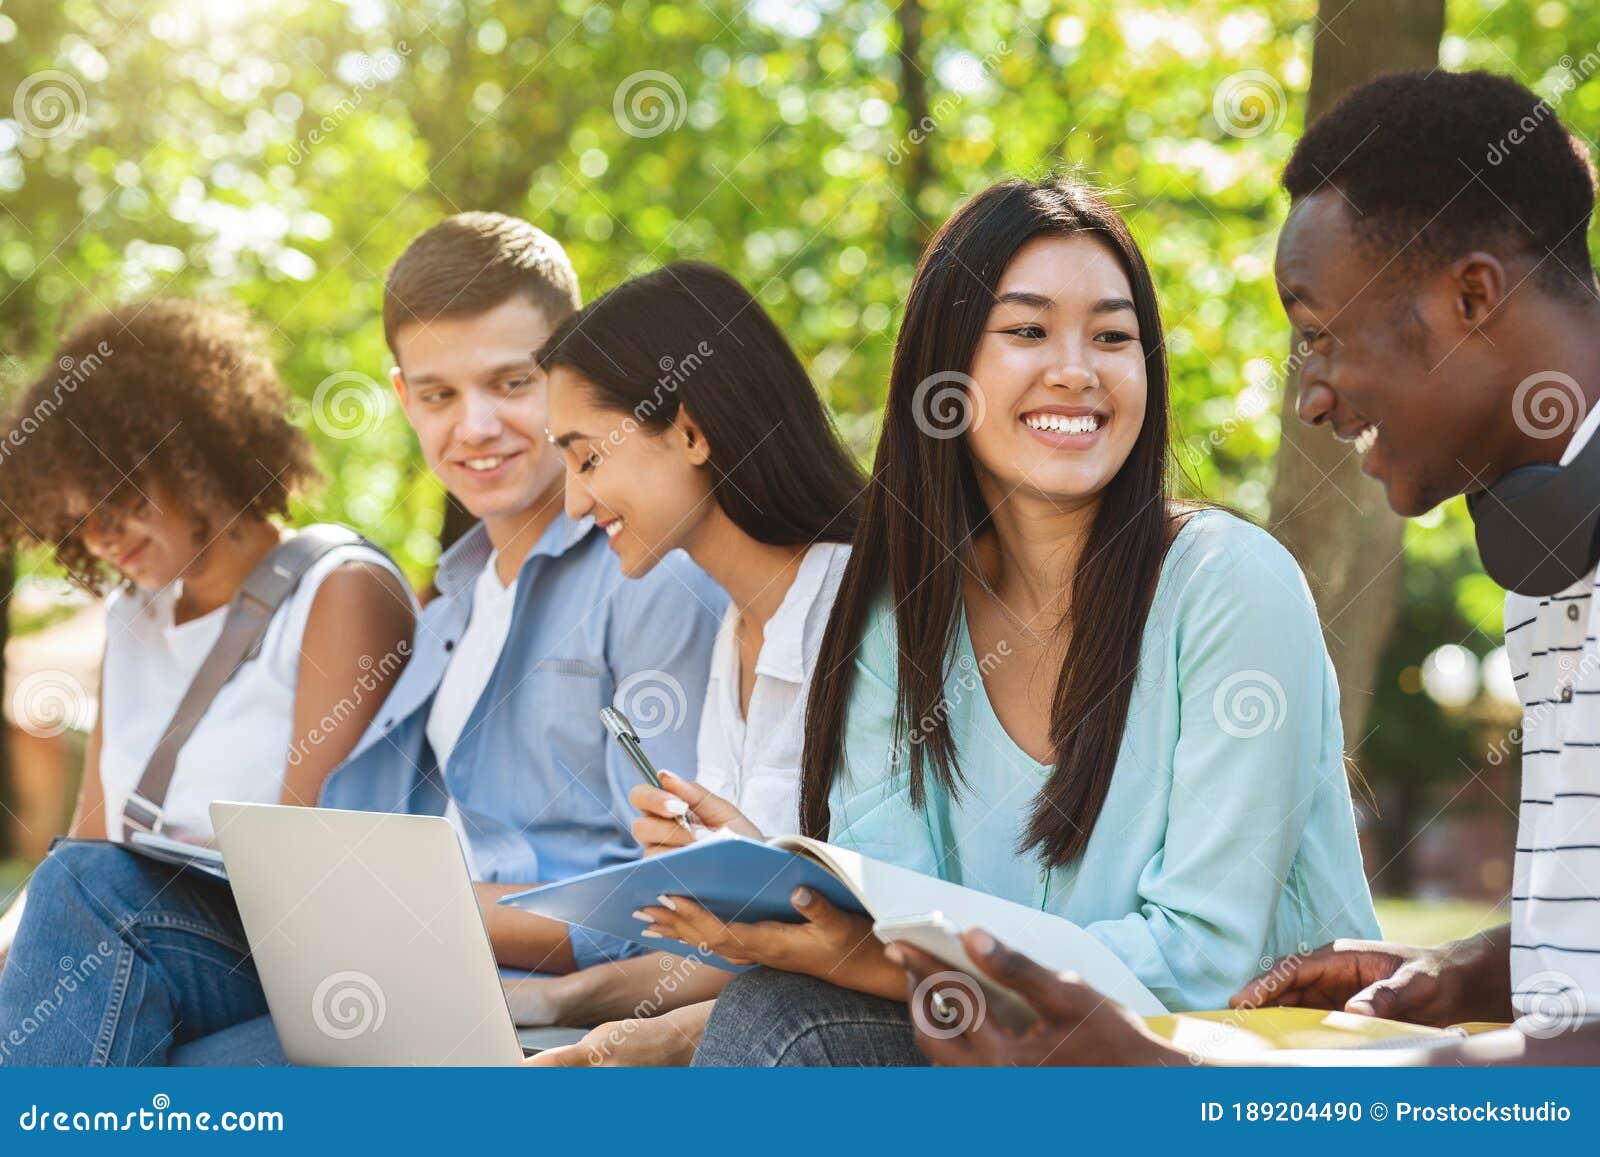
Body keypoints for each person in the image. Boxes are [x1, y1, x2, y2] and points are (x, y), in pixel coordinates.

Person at [899, 70, 1600, 1067]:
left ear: (1472, 296)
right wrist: (1468, 971)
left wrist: (1196, 1088)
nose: (1310, 396)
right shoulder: (1552, 551)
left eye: (1319, 336)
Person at [666, 175, 1380, 1066]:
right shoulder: (903, 612)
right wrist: (792, 901)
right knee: (780, 1010)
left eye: (1112, 336)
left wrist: (875, 961)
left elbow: (1198, 964)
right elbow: (892, 904)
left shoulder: (1231, 583)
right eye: (1028, 331)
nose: (1076, 370)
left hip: (1227, 1074)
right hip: (1018, 1060)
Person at [0, 213, 727, 1066]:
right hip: (407, 981)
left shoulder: (646, 576)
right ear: (403, 399)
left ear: (572, 380)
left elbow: (683, 899)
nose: (476, 426)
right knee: (137, 1060)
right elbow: (346, 858)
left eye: (512, 382)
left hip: (523, 1007)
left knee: (95, 908)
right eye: (439, 395)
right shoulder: (453, 611)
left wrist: (418, 909)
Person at [0, 300, 416, 1063]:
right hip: (136, 941)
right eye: (77, 517)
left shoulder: (339, 591)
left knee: (85, 890)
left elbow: (309, 875)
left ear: (194, 450)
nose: (101, 535)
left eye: (118, 496)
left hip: (279, 951)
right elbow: (92, 838)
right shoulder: (134, 616)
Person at [499, 261, 864, 1066]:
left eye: (587, 458)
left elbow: (871, 957)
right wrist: (561, 999)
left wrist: (642, 1042)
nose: (573, 503)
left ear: (692, 433)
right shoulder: (736, 631)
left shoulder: (870, 620)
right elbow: (750, 951)